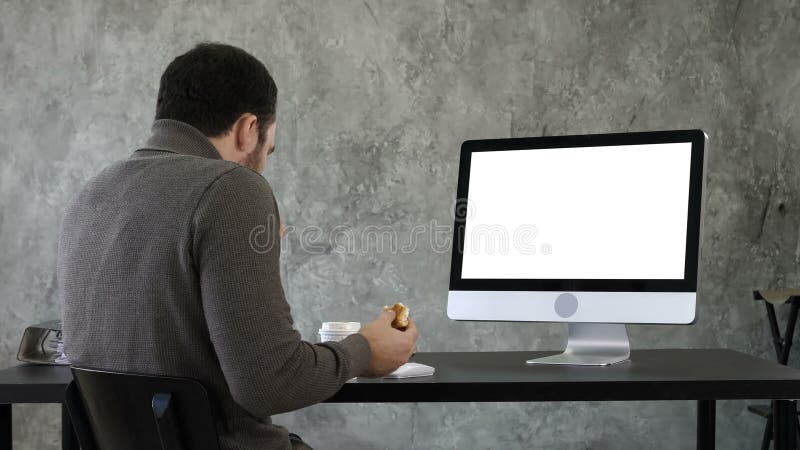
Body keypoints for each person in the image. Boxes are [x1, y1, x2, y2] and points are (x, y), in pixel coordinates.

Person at [57, 42, 419, 450]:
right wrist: (365, 349)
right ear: (249, 129)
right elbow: (271, 382)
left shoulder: (89, 197)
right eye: (267, 151)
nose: (263, 165)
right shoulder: (233, 188)